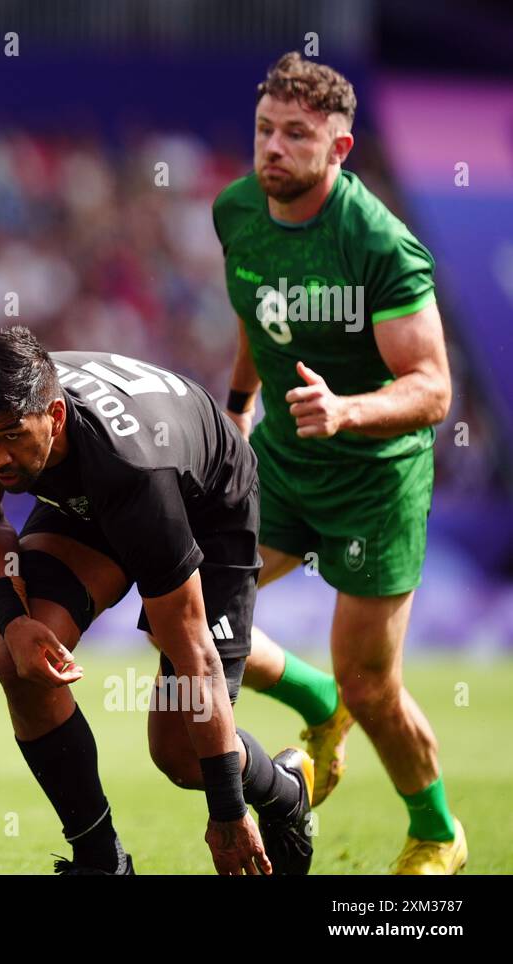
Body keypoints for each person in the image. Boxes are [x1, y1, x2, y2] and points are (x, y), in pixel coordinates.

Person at [215, 51, 462, 873]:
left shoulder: (381, 246)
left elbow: (433, 388)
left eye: (295, 134)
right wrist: (239, 405)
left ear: (341, 148)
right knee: (188, 607)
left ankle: (435, 831)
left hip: (375, 483)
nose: (273, 149)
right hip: (281, 467)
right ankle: (314, 702)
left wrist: (347, 411)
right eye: (263, 130)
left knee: (370, 686)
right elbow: (257, 310)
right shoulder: (237, 212)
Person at [0, 326, 313, 875]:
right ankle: (102, 861)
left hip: (203, 502)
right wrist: (12, 619)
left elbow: (193, 657)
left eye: (12, 436)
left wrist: (229, 812)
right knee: (17, 662)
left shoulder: (135, 473)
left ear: (56, 416)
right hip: (90, 491)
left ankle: (284, 794)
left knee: (184, 757)